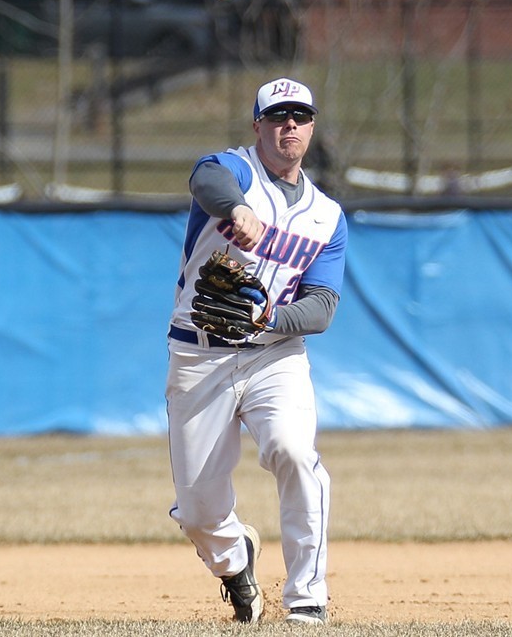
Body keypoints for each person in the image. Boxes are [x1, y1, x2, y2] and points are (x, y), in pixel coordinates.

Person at [164, 77, 348, 626]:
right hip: (200, 353)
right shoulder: (237, 170)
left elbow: (321, 306)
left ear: (311, 128)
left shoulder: (326, 216)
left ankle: (307, 598)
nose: (289, 124)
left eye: (300, 116)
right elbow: (205, 176)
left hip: (275, 355)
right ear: (258, 126)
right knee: (198, 511)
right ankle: (234, 559)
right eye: (277, 116)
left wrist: (270, 318)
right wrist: (238, 208)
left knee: (293, 451)